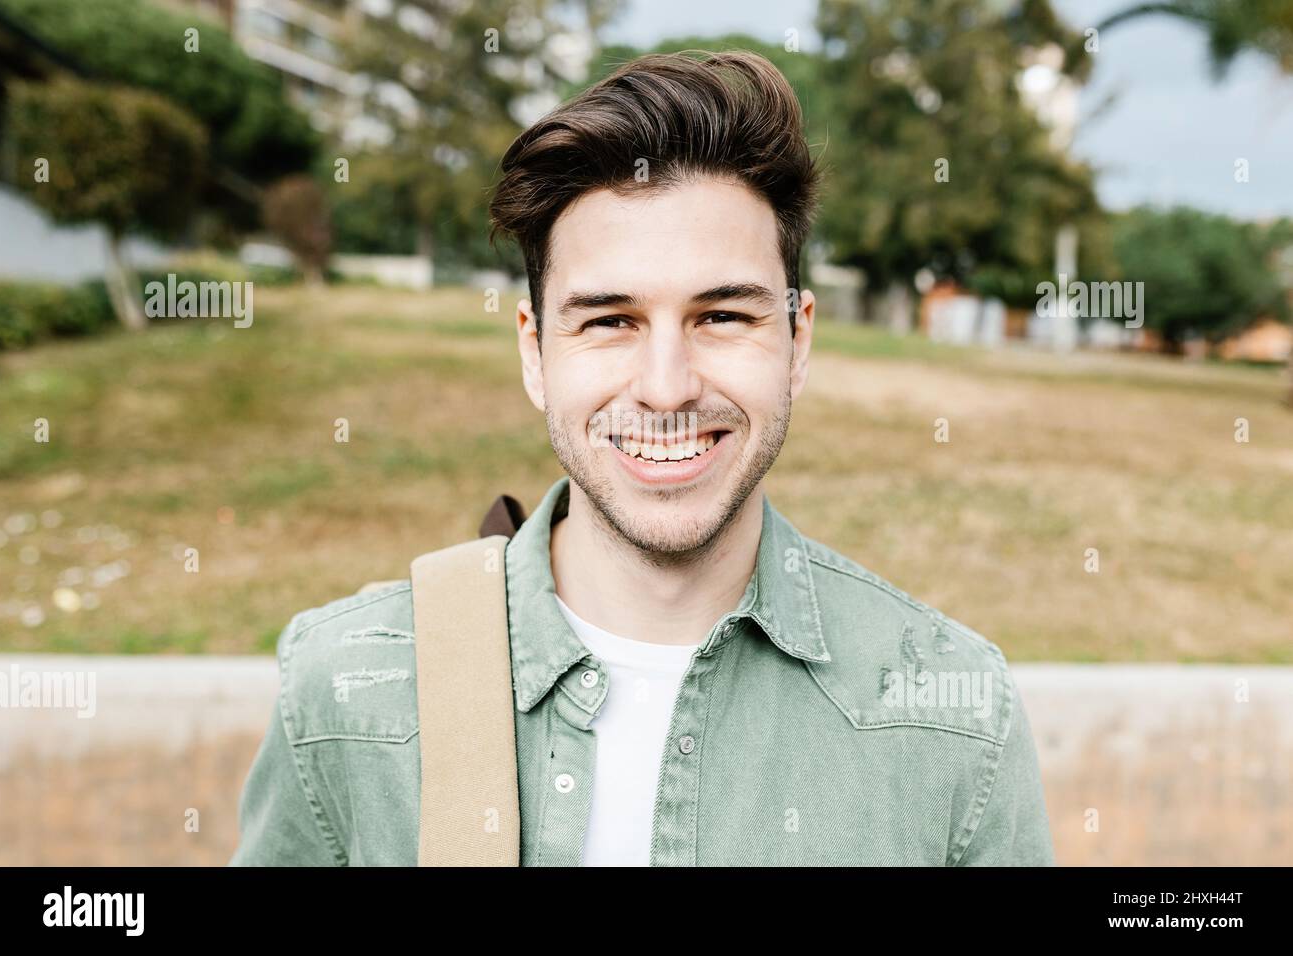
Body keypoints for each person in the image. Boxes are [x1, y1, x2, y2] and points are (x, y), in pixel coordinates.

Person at [229, 50, 1054, 867]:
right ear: (534, 349)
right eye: (610, 320)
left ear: (798, 341)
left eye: (723, 316)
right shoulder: (344, 689)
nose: (667, 389)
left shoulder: (957, 718)